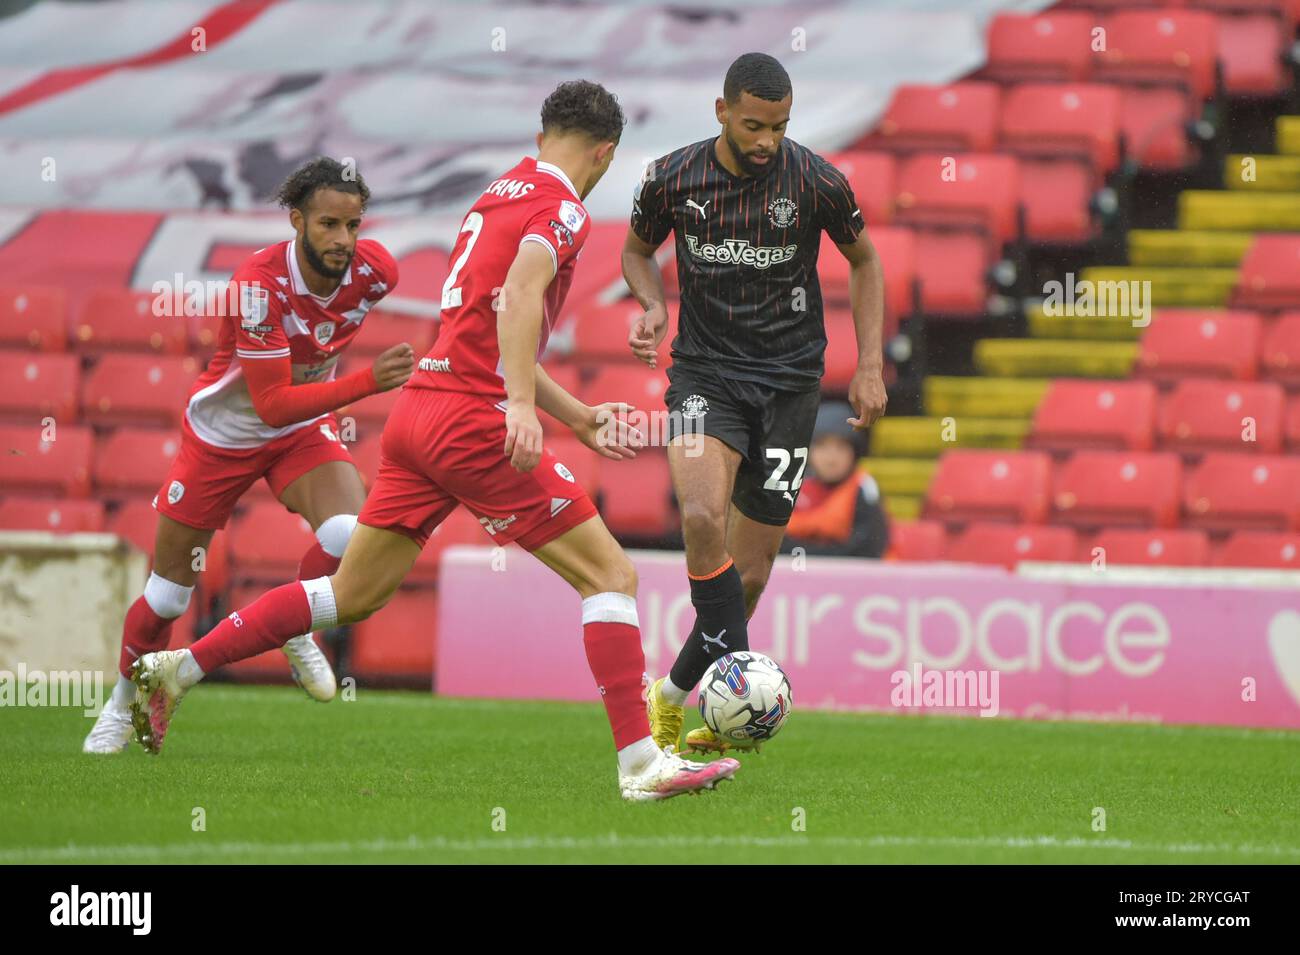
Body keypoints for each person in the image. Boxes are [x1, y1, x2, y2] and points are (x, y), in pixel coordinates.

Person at [128, 80, 740, 802]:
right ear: (604, 153)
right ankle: (641, 764)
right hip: (472, 420)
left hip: (422, 408)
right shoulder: (564, 209)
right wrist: (516, 404)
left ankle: (177, 669)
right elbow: (516, 299)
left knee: (352, 592)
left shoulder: (497, 193)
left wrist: (572, 414)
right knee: (611, 578)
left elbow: (485, 324)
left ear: (543, 134)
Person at [83, 158, 412, 754]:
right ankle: (121, 704)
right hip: (226, 436)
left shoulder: (375, 271)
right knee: (167, 598)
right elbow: (270, 405)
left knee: (350, 536)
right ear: (296, 221)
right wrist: (368, 382)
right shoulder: (257, 289)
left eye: (353, 226)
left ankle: (296, 627)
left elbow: (292, 413)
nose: (342, 240)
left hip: (301, 429)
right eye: (328, 225)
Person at [621, 53, 888, 754]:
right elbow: (635, 250)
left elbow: (866, 261)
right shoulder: (672, 178)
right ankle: (742, 688)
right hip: (704, 374)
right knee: (703, 513)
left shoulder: (816, 180)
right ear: (721, 112)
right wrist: (651, 302)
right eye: (753, 125)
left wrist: (869, 365)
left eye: (779, 125)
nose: (767, 139)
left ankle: (674, 694)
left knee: (751, 571)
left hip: (792, 383)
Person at [780, 402, 888, 559]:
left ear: (854, 452)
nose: (831, 458)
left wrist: (809, 555)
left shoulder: (864, 488)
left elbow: (867, 549)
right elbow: (773, 543)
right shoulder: (791, 488)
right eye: (822, 446)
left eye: (841, 447)